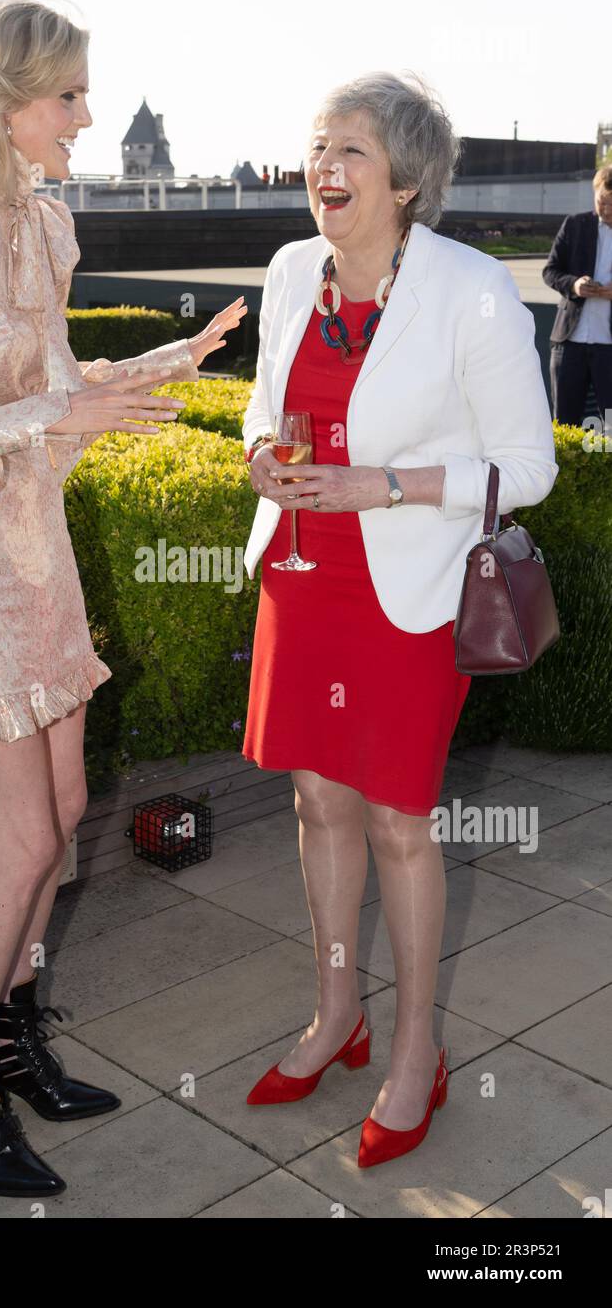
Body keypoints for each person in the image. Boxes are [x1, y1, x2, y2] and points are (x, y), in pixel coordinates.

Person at [0, 0, 245, 1199]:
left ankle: (17, 1043)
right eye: (67, 94)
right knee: (16, 842)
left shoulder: (44, 225)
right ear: (4, 101)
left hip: (35, 548)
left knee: (63, 809)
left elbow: (58, 395)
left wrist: (170, 360)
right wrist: (46, 413)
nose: (84, 115)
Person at [239, 70, 557, 1168]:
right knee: (316, 802)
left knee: (396, 822)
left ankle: (414, 1048)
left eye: (349, 153)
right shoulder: (289, 272)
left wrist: (384, 487)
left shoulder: (472, 290)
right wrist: (257, 458)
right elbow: (265, 403)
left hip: (408, 590)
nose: (322, 170)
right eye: (315, 149)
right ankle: (337, 1015)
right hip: (297, 571)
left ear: (408, 179)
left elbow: (528, 469)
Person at [542, 164, 612, 427]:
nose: (606, 211)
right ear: (595, 194)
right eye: (602, 202)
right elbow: (550, 271)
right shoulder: (574, 225)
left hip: (609, 348)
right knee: (565, 424)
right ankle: (565, 470)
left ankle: (606, 469)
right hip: (569, 343)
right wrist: (574, 285)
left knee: (610, 427)